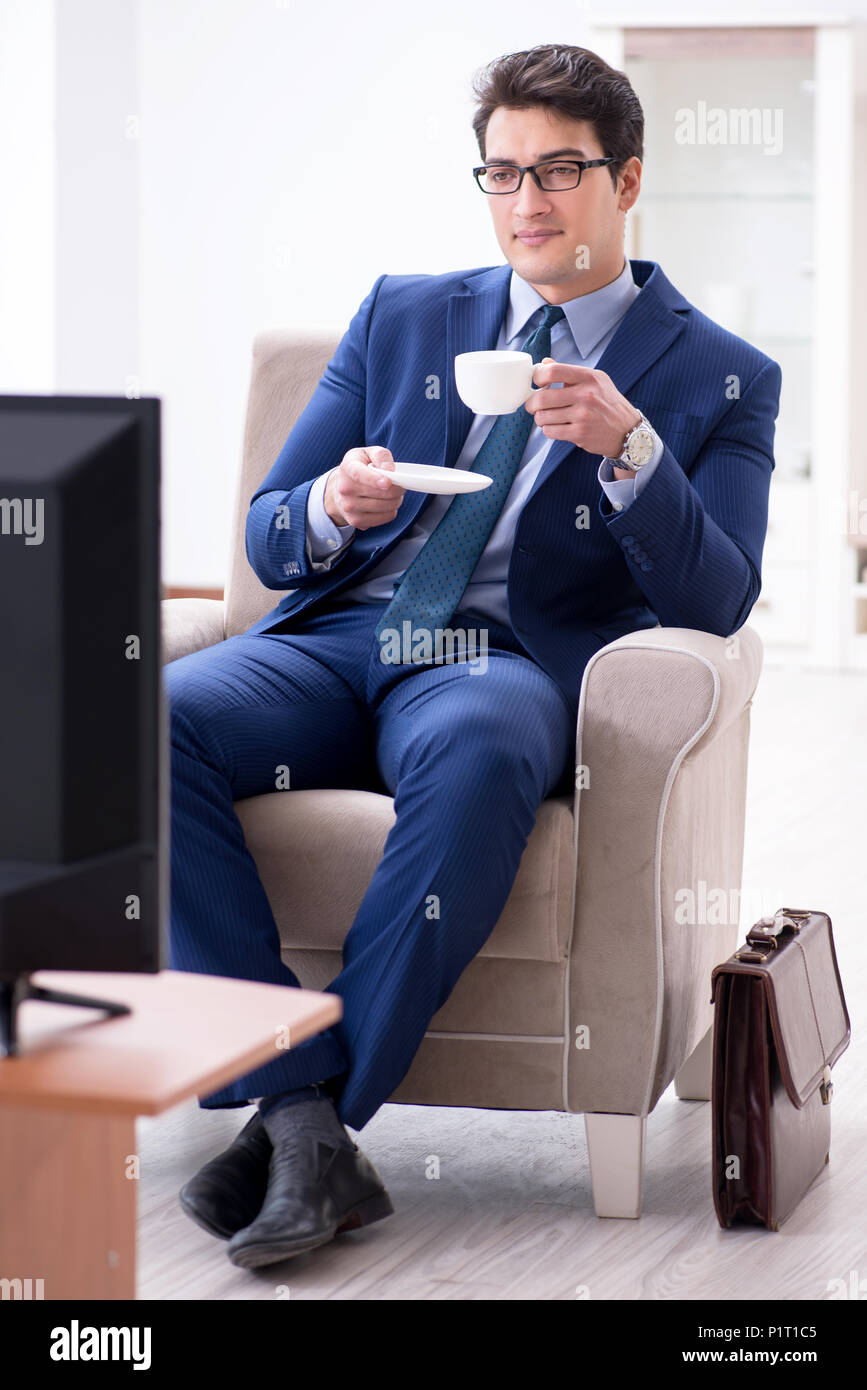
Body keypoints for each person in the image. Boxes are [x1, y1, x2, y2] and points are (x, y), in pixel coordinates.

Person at [167, 41, 781, 1269]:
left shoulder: (720, 372)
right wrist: (335, 507)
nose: (528, 203)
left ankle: (312, 1125)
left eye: (560, 170)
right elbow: (267, 532)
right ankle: (299, 1111)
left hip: (494, 662)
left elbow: (719, 596)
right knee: (144, 715)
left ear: (627, 179)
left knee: (484, 752)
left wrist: (633, 454)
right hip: (341, 636)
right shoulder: (403, 311)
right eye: (502, 175)